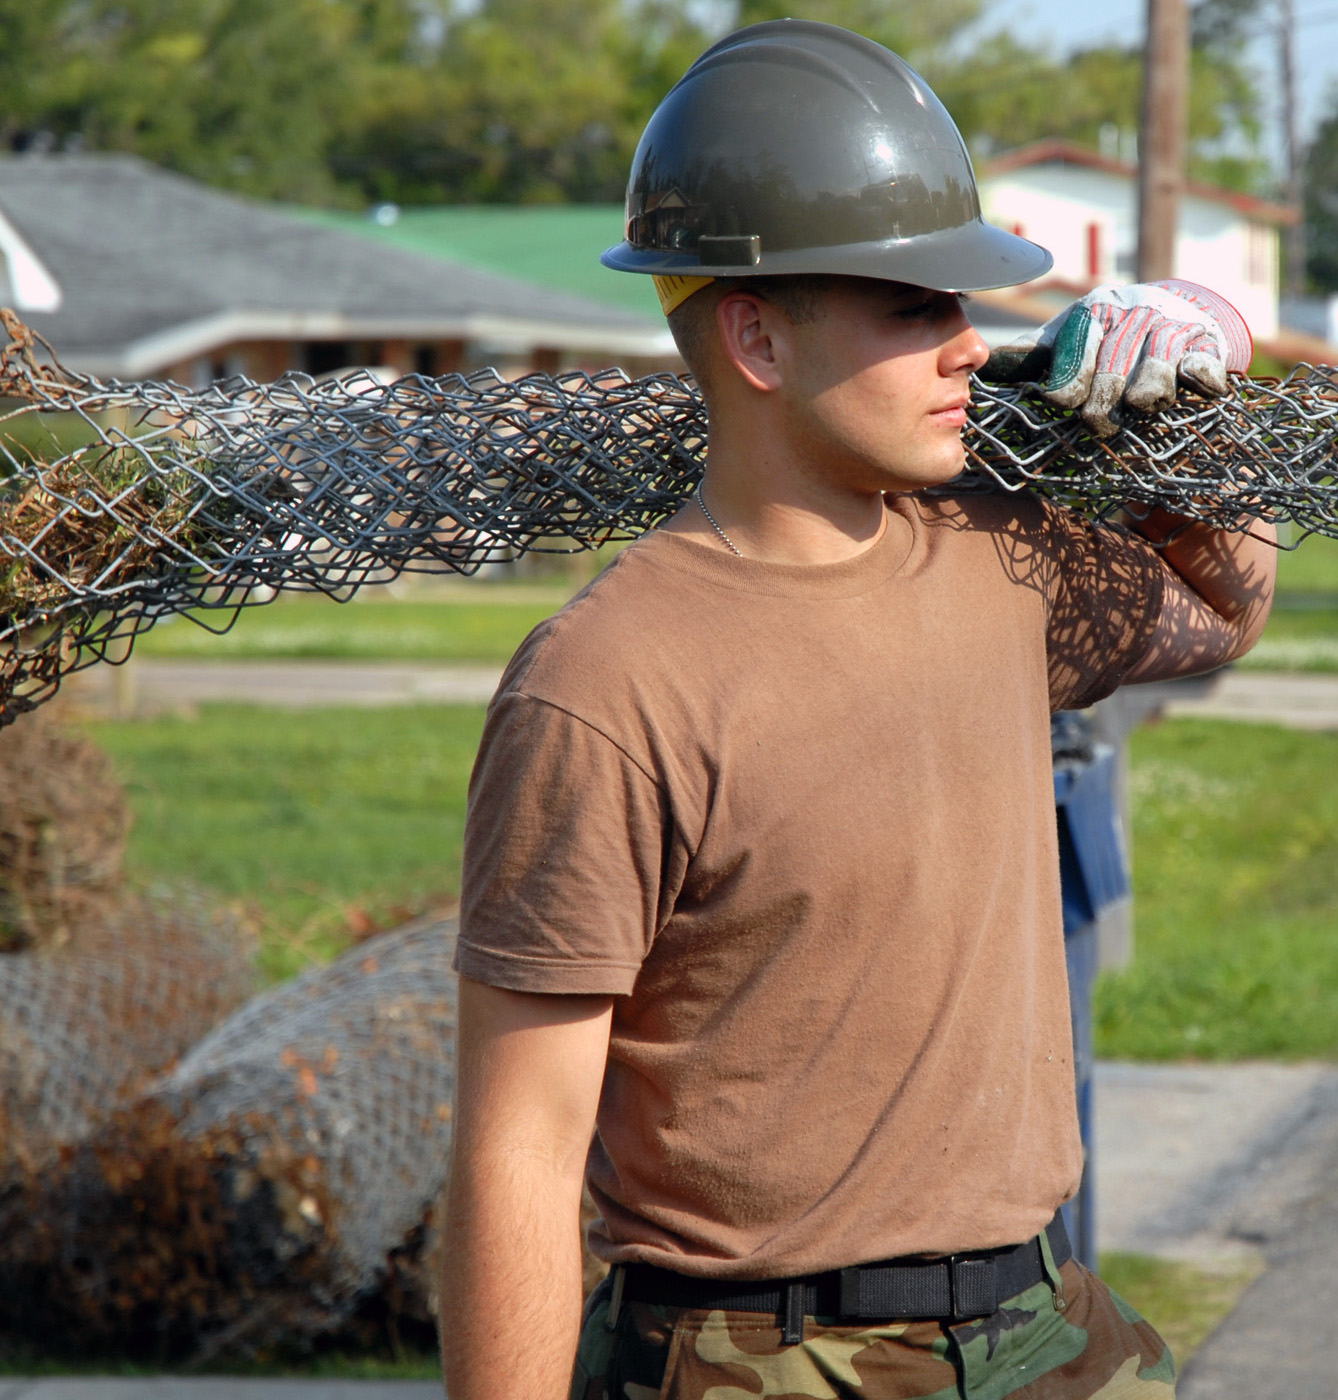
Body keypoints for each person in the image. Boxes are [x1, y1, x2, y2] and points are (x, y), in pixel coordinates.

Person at [439, 21, 1276, 1400]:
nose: (965, 345)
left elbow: (1223, 603)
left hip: (1034, 1322)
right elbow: (517, 1157)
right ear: (758, 335)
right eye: (912, 305)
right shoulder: (605, 685)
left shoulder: (997, 559)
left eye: (962, 305)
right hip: (759, 1356)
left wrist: (1189, 393)